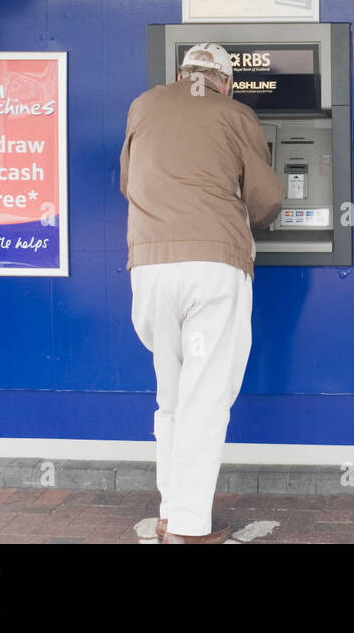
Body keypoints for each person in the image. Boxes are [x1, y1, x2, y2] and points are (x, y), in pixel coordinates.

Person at [119, 42, 284, 544]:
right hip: (211, 268)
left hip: (150, 268)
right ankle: (190, 529)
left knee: (171, 397)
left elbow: (128, 182)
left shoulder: (143, 106)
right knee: (205, 399)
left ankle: (172, 511)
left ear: (182, 73)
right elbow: (267, 198)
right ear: (226, 81)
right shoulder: (236, 114)